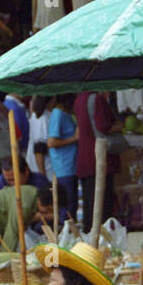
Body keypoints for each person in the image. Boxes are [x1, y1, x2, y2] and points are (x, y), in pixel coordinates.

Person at [74, 90, 120, 229]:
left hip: (85, 160)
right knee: (102, 207)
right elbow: (103, 127)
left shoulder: (79, 99)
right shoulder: (97, 99)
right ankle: (101, 242)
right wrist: (119, 125)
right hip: (98, 159)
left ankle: (90, 242)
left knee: (90, 207)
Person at [47, 95, 78, 224]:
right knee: (67, 209)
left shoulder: (65, 115)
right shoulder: (57, 114)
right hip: (64, 168)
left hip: (71, 166)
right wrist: (74, 138)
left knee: (72, 207)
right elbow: (51, 142)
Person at [26, 94, 49, 178]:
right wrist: (42, 175)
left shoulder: (37, 116)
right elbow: (39, 148)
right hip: (44, 170)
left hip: (37, 168)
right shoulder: (43, 118)